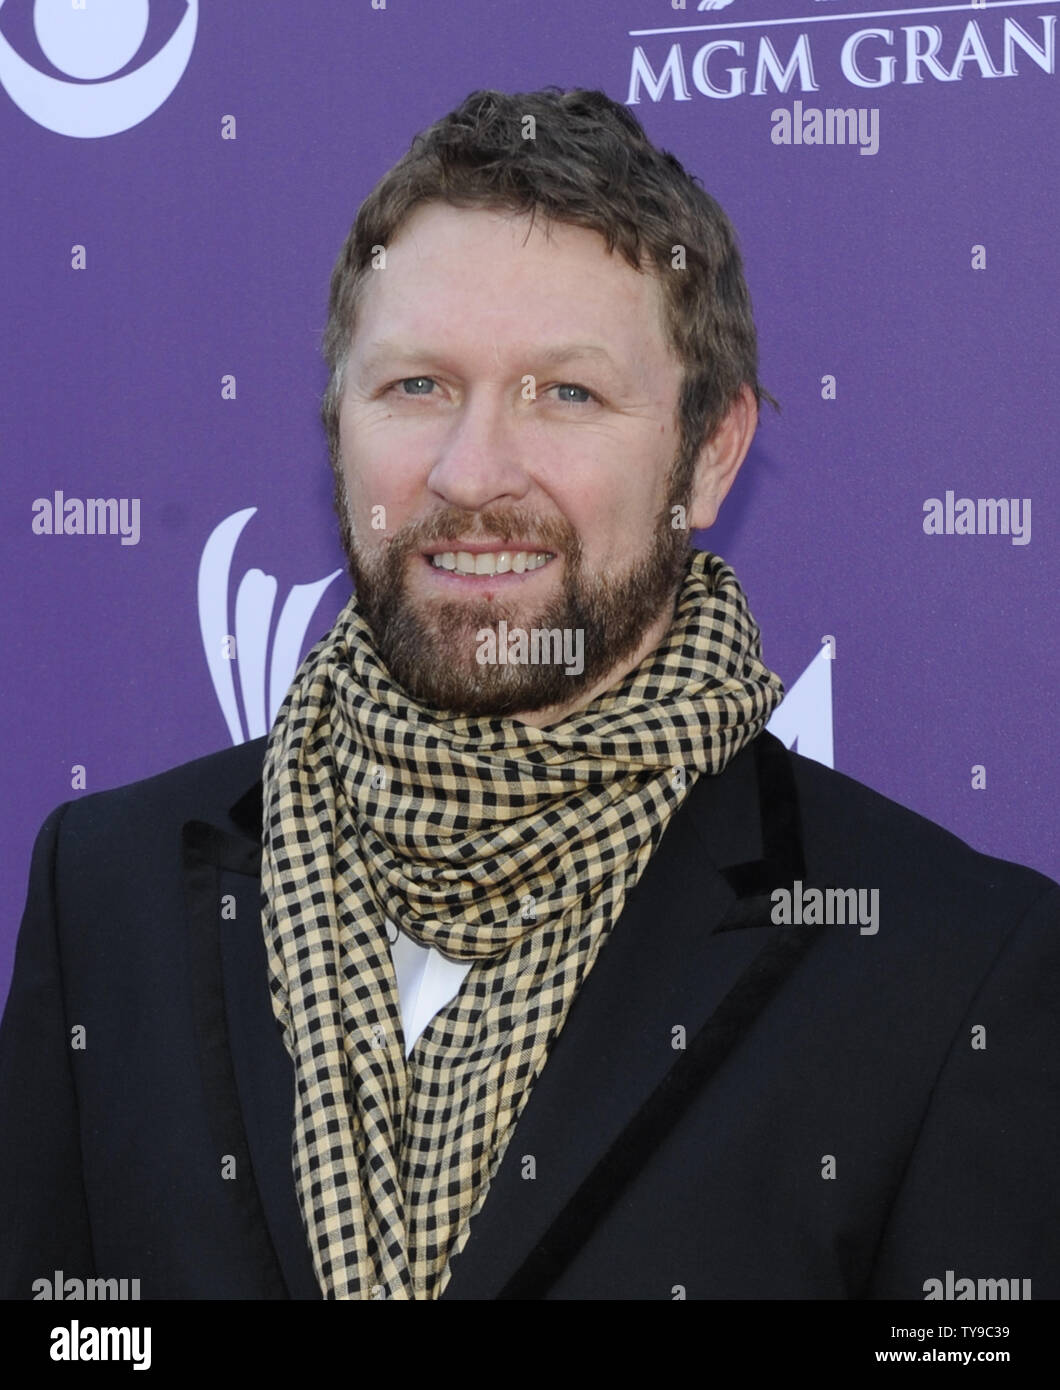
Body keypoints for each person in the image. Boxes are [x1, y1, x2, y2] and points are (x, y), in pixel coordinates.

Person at [1, 86, 1056, 1303]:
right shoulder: (107, 885)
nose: (471, 471)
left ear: (709, 455)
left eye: (565, 393)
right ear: (335, 423)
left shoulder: (946, 966)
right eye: (415, 386)